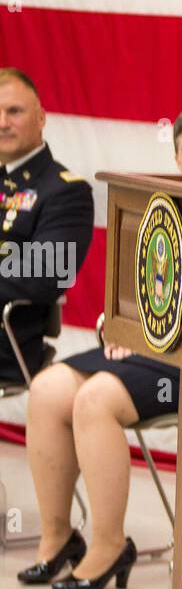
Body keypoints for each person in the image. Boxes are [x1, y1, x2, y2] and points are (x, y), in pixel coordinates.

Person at [18, 104, 182, 589]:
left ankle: (110, 544)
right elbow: (132, 293)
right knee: (48, 386)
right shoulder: (156, 212)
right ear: (176, 157)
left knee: (94, 399)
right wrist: (116, 327)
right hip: (141, 350)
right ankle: (58, 539)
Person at [0, 67, 94, 381]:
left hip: (9, 340)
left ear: (41, 117)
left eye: (14, 111)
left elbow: (46, 275)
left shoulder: (66, 190)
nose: (2, 123)